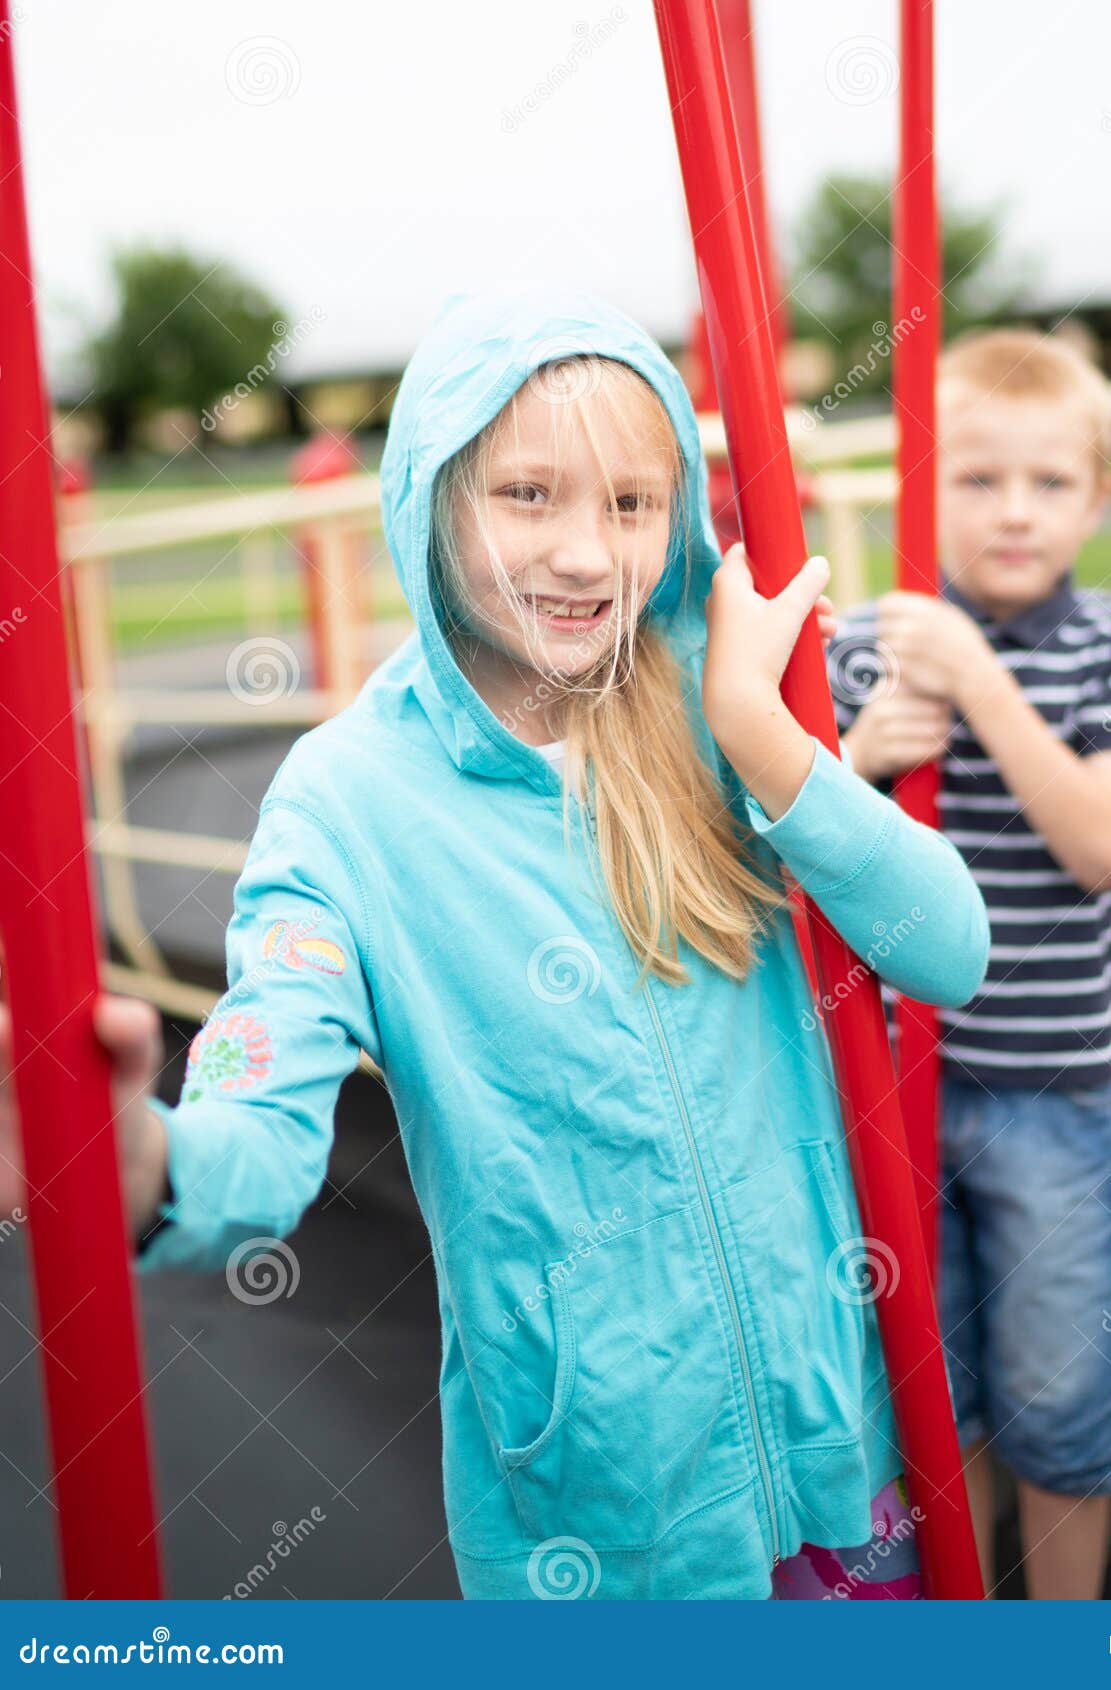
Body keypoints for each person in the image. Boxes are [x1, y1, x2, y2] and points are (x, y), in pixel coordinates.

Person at [0, 290, 990, 1601]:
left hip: (836, 1445)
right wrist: (131, 1156)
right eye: (528, 495)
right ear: (434, 500)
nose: (587, 554)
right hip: (603, 1522)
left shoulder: (714, 700)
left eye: (632, 506)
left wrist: (767, 739)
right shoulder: (347, 802)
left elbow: (950, 949)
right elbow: (263, 1116)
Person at [827, 327, 1111, 1599]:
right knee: (936, 1394)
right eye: (976, 480)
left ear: (1096, 494)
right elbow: (796, 851)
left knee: (1059, 1391)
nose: (1014, 512)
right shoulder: (866, 651)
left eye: (1048, 482)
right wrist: (859, 755)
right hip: (893, 1095)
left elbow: (1101, 841)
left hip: (1047, 1092)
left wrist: (976, 680)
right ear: (924, 488)